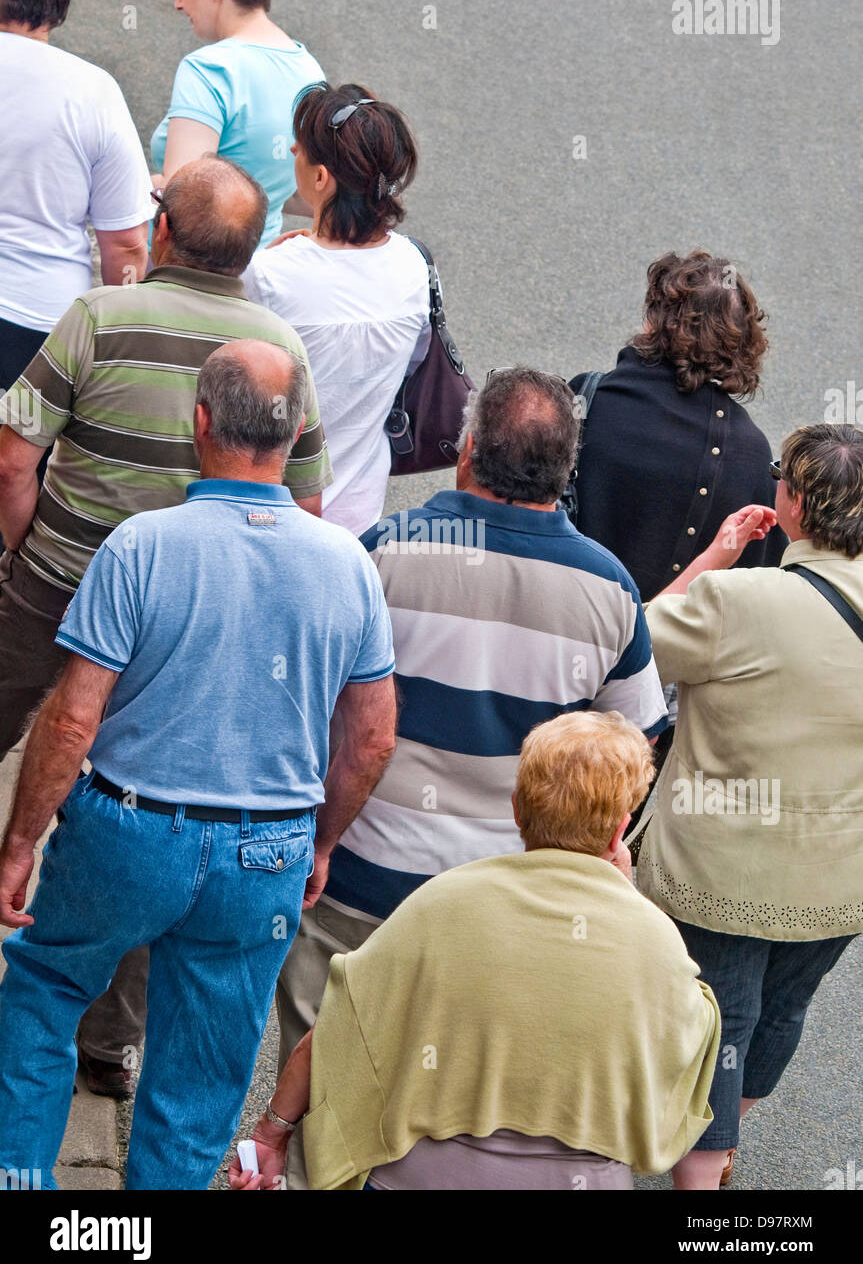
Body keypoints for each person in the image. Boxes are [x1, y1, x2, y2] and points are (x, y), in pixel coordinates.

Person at [0, 341, 397, 1191]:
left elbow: (73, 719)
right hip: (266, 851)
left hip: (127, 832)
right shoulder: (347, 567)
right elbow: (371, 741)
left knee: (42, 991)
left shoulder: (141, 546)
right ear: (293, 436)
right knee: (201, 1069)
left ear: (201, 424)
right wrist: (319, 845)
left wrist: (21, 841)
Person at [275, 367, 668, 1184]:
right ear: (567, 470)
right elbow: (638, 747)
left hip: (359, 877)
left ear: (466, 455)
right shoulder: (609, 591)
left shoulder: (382, 554)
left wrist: (312, 839)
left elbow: (313, 709)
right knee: (449, 1084)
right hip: (508, 908)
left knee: (328, 1062)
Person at [0, 156, 331, 1095]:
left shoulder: (101, 316)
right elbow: (302, 511)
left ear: (165, 235)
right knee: (148, 800)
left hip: (57, 586)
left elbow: (12, 461)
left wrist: (30, 557)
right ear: (251, 249)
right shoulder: (278, 353)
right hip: (183, 623)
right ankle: (109, 1045)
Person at [230, 712, 720, 1191]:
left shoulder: (440, 903)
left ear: (516, 809)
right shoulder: (654, 940)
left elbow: (338, 1027)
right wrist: (627, 898)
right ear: (620, 831)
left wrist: (273, 1131)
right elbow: (689, 1044)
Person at [638, 423, 863, 1189]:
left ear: (793, 503)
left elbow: (626, 647)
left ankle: (703, 1185)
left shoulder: (735, 600)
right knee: (778, 1014)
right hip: (841, 879)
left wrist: (714, 559)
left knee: (714, 1029)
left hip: (720, 870)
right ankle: (722, 1148)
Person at [244, 83, 430, 535]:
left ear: (322, 178)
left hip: (269, 511)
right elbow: (416, 362)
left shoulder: (270, 274)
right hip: (359, 517)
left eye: (301, 146)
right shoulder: (414, 266)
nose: (291, 148)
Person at [570, 250, 786, 602]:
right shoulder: (752, 452)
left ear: (656, 321)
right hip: (666, 653)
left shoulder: (588, 397)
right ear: (742, 341)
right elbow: (753, 588)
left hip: (557, 626)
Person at [0, 0, 150, 394]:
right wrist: (119, 346)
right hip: (42, 328)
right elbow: (126, 245)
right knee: (31, 467)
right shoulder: (92, 90)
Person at [150, 0, 325, 246]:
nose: (178, 3)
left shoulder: (209, 69)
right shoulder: (310, 71)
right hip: (259, 274)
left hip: (194, 278)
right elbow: (281, 185)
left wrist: (142, 184)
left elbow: (184, 200)